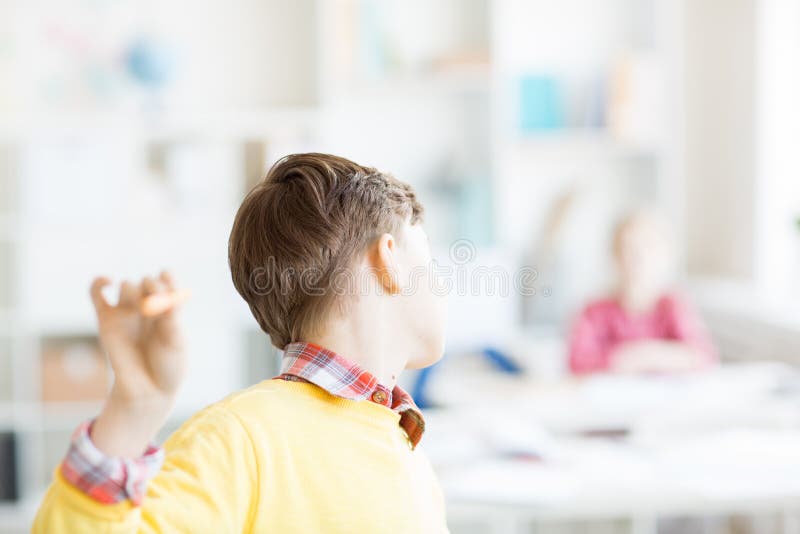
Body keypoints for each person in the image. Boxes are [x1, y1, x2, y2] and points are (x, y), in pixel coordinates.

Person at [33, 154, 449, 532]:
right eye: (429, 261)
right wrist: (132, 412)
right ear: (389, 259)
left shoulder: (405, 451)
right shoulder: (240, 439)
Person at [568, 210, 716, 375]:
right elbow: (576, 363)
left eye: (649, 246)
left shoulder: (674, 305)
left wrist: (647, 355)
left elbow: (704, 357)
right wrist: (624, 358)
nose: (638, 257)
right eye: (627, 248)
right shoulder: (594, 311)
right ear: (614, 254)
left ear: (667, 255)